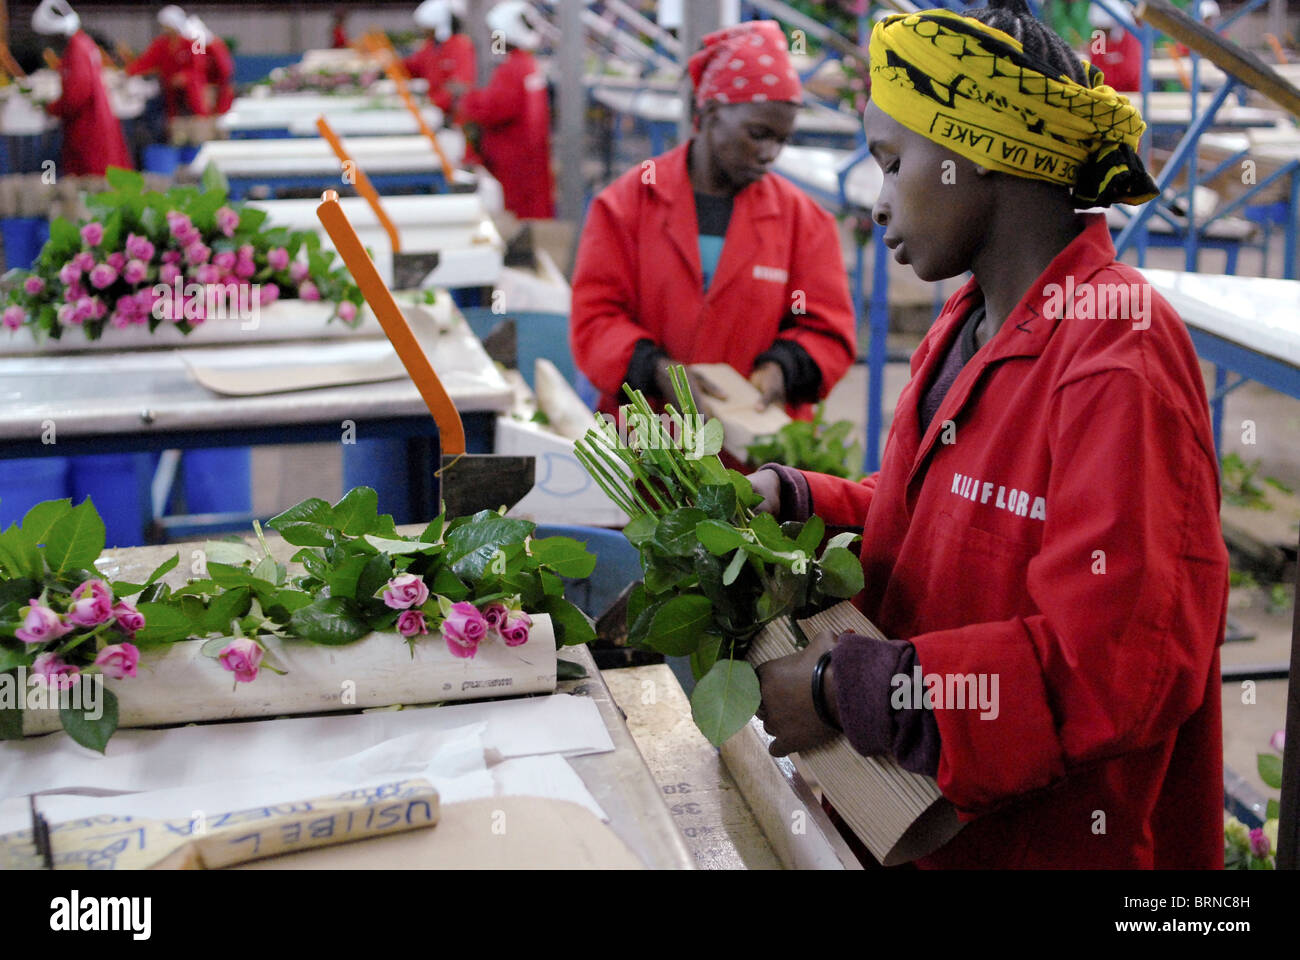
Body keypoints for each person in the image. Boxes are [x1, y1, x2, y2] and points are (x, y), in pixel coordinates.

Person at [750, 0, 1228, 869]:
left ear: (978, 152)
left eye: (894, 164)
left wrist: (846, 688)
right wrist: (804, 501)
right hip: (934, 829)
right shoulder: (968, 326)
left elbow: (1116, 665)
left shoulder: (1119, 356)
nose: (879, 204)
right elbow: (953, 532)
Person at [570, 20, 856, 422]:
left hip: (754, 467)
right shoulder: (626, 205)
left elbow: (828, 333)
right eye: (758, 134)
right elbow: (596, 319)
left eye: (781, 139)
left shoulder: (804, 222)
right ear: (708, 111)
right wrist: (654, 369)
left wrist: (783, 368)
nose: (770, 153)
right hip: (649, 440)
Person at [455, 0, 555, 219]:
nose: (493, 38)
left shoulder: (513, 68)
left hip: (513, 161)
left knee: (518, 215)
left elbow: (495, 108)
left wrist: (466, 101)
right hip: (528, 156)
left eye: (496, 33)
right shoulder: (526, 63)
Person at [34, 0, 132, 177]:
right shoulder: (83, 43)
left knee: (94, 182)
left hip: (88, 130)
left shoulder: (76, 50)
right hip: (94, 122)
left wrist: (52, 108)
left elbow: (76, 95)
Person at [126, 4, 206, 135]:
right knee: (175, 132)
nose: (165, 29)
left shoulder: (195, 41)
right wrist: (128, 72)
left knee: (196, 131)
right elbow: (146, 61)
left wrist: (185, 76)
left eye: (167, 25)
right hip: (171, 95)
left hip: (192, 95)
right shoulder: (160, 44)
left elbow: (200, 67)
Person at [404, 0, 475, 116]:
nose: (423, 31)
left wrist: (432, 102)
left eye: (426, 27)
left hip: (453, 116)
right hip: (434, 111)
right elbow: (414, 66)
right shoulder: (431, 46)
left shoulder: (460, 46)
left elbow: (460, 86)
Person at [1087, 3, 1141, 92]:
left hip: (1129, 96)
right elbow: (1096, 74)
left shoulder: (1129, 39)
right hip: (1105, 95)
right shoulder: (1099, 39)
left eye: (1106, 29)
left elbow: (1131, 75)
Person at [186, 16, 234, 117]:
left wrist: (216, 88)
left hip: (218, 88)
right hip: (205, 87)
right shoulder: (197, 48)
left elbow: (225, 70)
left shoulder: (215, 46)